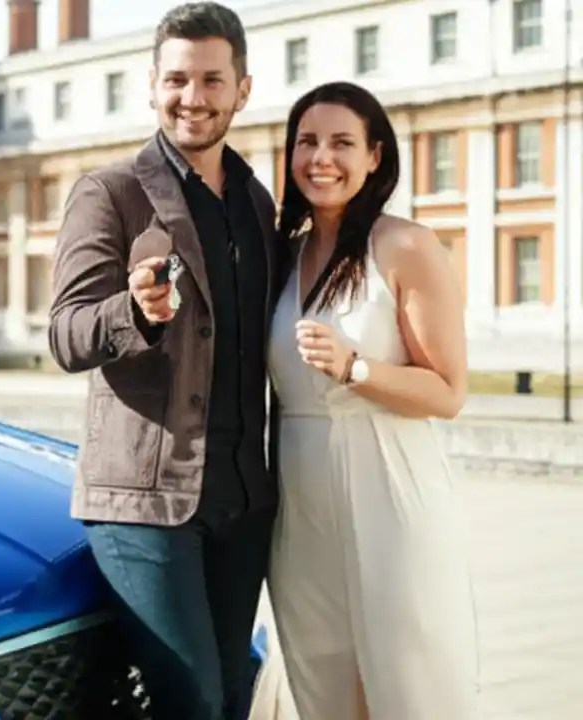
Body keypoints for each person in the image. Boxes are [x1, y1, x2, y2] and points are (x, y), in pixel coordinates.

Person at [47, 3, 288, 718]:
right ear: (152, 85)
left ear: (242, 89)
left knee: (233, 696)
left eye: (213, 81)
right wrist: (135, 313)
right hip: (146, 504)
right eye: (178, 79)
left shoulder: (255, 201)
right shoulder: (110, 193)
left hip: (243, 501)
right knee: (193, 707)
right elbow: (65, 334)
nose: (194, 98)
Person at [263, 80, 480, 719]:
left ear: (375, 156)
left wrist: (356, 366)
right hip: (299, 511)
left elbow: (449, 391)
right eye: (306, 142)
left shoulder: (406, 245)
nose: (320, 158)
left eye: (341, 143)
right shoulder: (286, 255)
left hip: (392, 494)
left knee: (410, 688)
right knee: (321, 693)